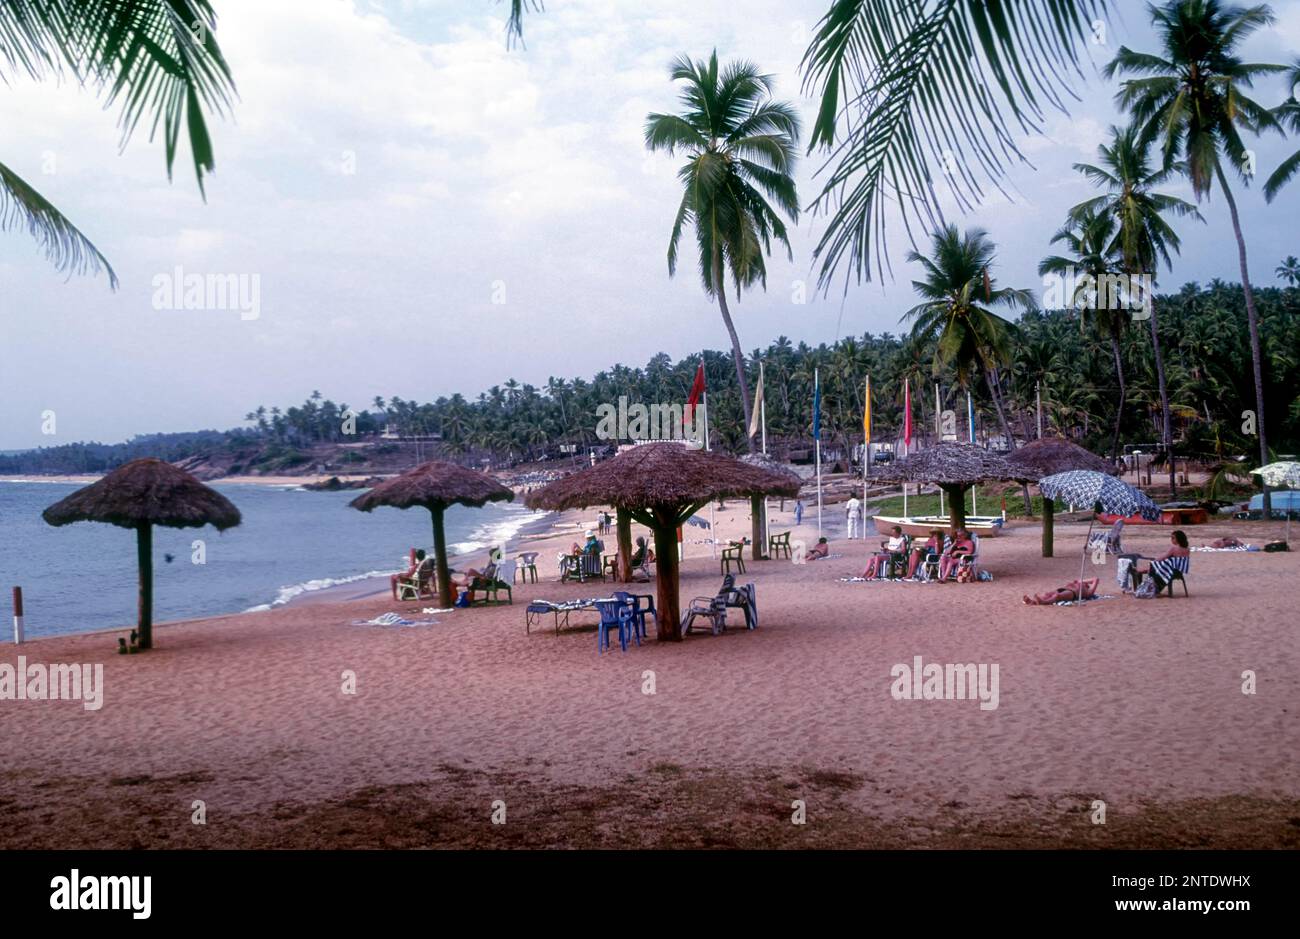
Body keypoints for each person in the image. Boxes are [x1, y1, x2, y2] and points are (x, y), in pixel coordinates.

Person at [1023, 577, 1100, 605]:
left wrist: (1083, 582)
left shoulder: (1088, 592)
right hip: (1064, 588)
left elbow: (1096, 579)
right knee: (1047, 594)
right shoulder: (1080, 583)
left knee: (1057, 596)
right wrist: (1082, 582)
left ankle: (1044, 602)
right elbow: (1079, 580)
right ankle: (1033, 602)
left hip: (1072, 593)